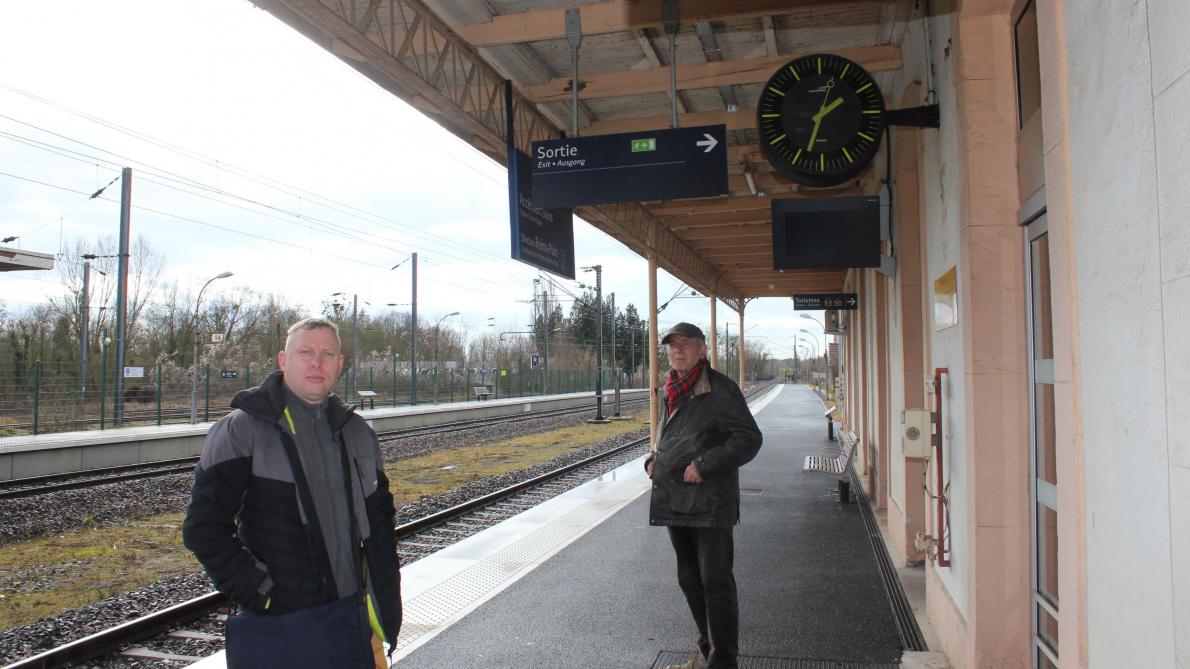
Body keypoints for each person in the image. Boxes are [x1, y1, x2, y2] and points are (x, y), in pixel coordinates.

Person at [183, 318, 401, 669]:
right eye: (306, 352)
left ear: (340, 364)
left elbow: (381, 527)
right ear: (283, 360)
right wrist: (264, 594)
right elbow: (203, 529)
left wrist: (387, 607)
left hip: (357, 623)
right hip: (285, 630)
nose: (317, 362)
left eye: (328, 353)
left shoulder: (358, 434)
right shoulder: (242, 431)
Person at [646, 322, 763, 669]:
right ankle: (707, 647)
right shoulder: (671, 388)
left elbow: (749, 438)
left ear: (703, 350)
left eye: (685, 344)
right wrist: (655, 457)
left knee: (715, 583)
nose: (677, 350)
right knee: (690, 580)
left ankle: (723, 661)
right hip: (675, 499)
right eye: (672, 345)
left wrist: (704, 464)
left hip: (710, 502)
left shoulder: (720, 389)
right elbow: (672, 435)